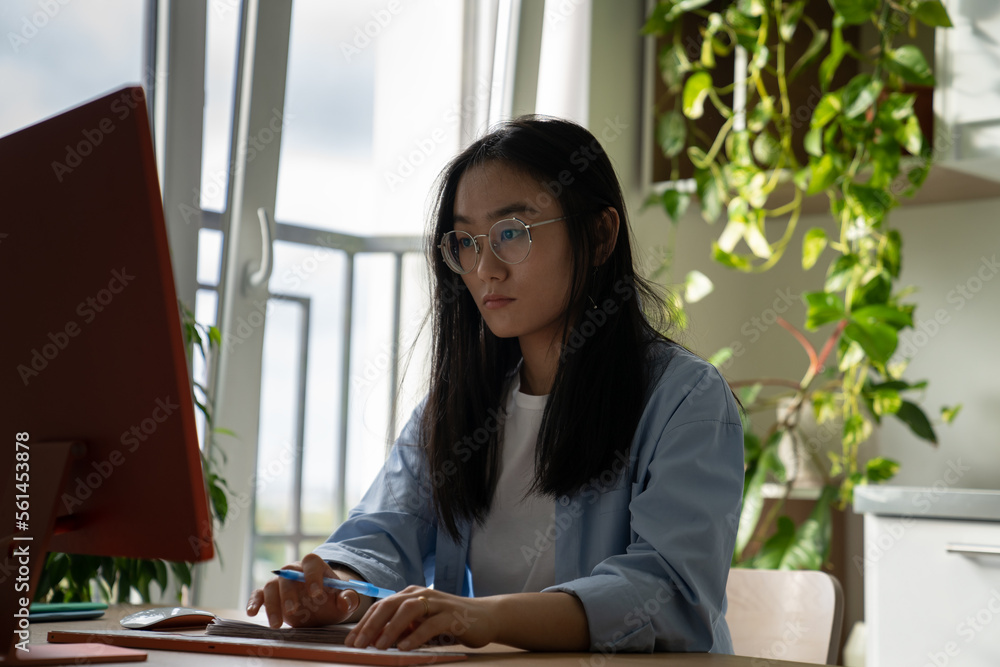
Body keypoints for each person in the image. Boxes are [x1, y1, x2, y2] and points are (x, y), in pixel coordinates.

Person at [246, 116, 744, 654]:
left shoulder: (685, 401)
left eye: (512, 233)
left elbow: (667, 591)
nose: (485, 268)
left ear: (599, 236)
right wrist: (334, 585)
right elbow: (386, 530)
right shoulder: (456, 408)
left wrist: (484, 617)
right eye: (465, 241)